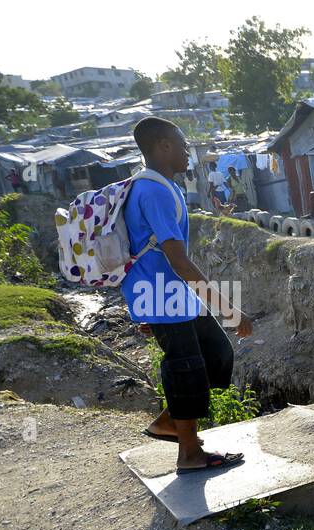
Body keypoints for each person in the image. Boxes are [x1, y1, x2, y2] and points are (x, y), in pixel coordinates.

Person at [124, 117, 249, 473]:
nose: (188, 154)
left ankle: (168, 422)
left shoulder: (164, 185)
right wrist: (231, 310)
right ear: (163, 146)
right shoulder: (154, 191)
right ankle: (189, 454)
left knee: (218, 355)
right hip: (161, 294)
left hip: (171, 294)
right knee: (187, 369)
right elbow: (178, 260)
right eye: (182, 146)